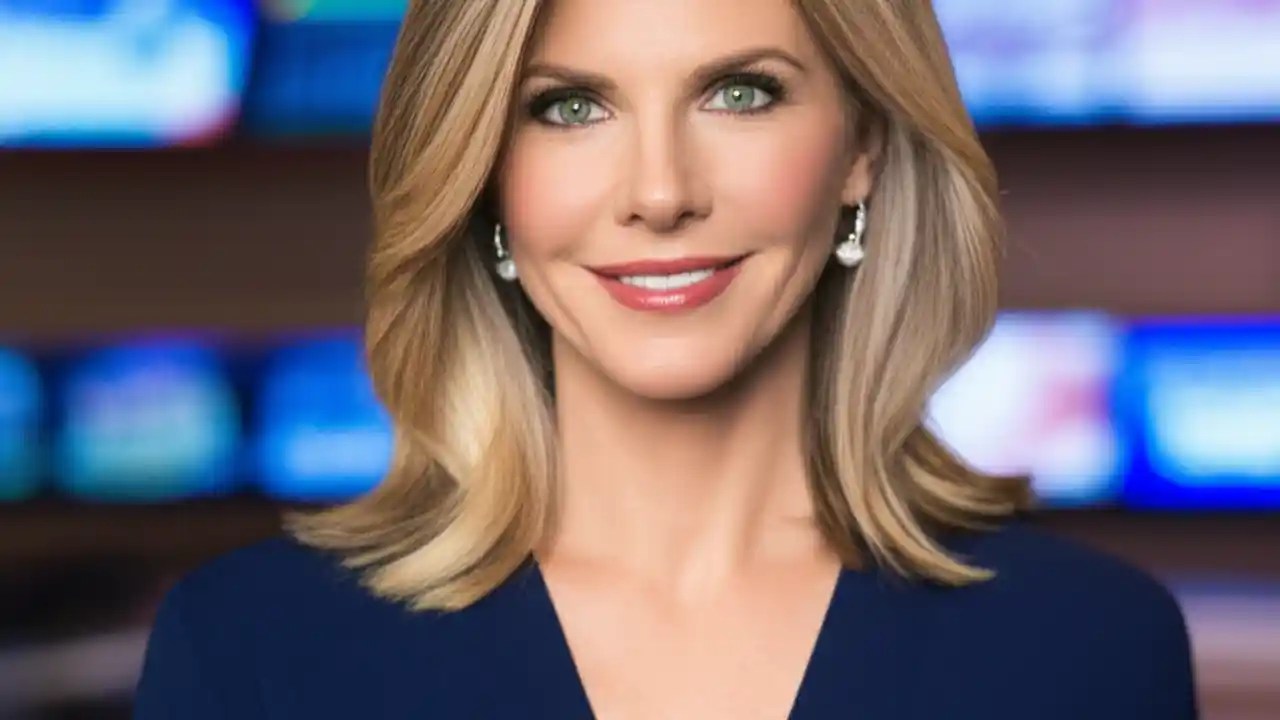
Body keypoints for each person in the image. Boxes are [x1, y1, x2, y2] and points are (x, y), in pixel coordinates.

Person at [134, 0, 1199, 717]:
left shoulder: (1088, 647)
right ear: (482, 178)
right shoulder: (250, 654)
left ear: (861, 147)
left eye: (738, 93)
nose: (658, 189)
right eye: (568, 107)